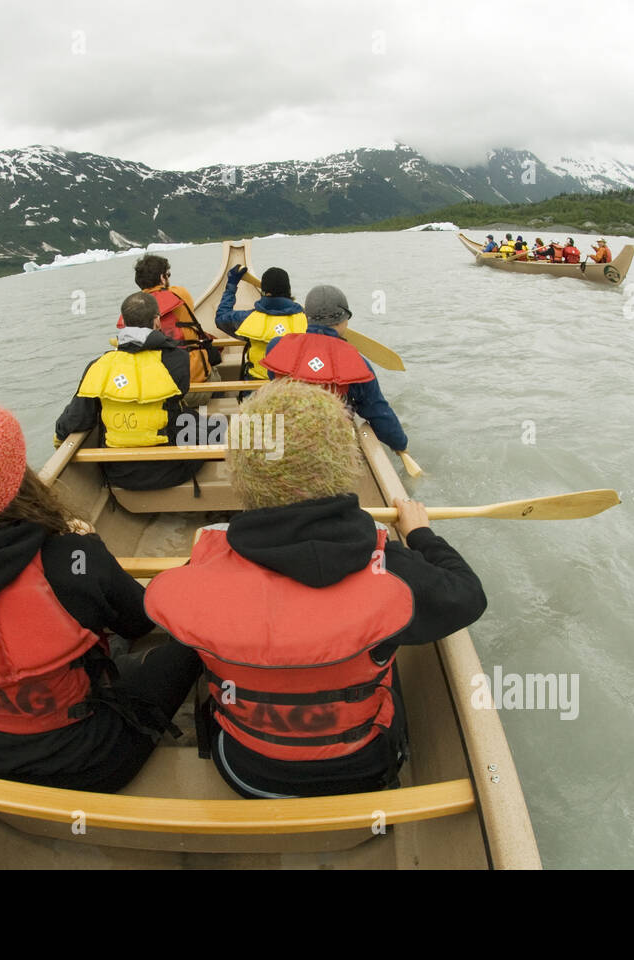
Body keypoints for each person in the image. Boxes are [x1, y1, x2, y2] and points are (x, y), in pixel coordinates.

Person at [145, 380, 487, 798]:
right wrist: (420, 535)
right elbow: (467, 595)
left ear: (242, 470)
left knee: (198, 641)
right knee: (384, 641)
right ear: (343, 465)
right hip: (365, 772)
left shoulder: (202, 565)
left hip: (244, 772)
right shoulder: (390, 567)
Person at [0, 402, 202, 792]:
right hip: (100, 760)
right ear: (19, 476)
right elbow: (142, 620)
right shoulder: (73, 556)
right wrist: (88, 545)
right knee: (193, 643)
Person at [56, 292, 203, 490]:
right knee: (214, 425)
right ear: (157, 321)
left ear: (124, 322)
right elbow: (180, 394)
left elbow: (74, 421)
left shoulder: (98, 366)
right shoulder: (178, 358)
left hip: (120, 473)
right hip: (172, 468)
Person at [263, 284, 409, 456]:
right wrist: (400, 444)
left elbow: (274, 375)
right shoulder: (356, 363)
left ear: (306, 317)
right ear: (343, 320)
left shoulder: (276, 346)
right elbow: (378, 412)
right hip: (330, 451)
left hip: (285, 441)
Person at [127, 254, 219, 390]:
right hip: (193, 388)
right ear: (162, 278)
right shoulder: (180, 294)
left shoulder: (133, 307)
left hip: (155, 389)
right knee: (216, 375)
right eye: (167, 275)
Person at [214, 265, 308, 382]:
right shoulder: (305, 319)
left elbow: (221, 317)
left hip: (256, 389)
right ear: (288, 291)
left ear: (264, 292)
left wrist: (231, 286)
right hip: (294, 387)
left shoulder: (248, 319)